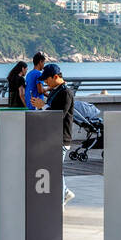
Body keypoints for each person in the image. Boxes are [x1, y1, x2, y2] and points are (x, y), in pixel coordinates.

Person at [41, 63, 76, 208]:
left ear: (56, 77)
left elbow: (58, 114)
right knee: (55, 169)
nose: (45, 82)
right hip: (53, 137)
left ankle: (61, 200)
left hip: (61, 138)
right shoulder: (56, 90)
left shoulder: (66, 92)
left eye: (47, 79)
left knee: (56, 171)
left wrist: (42, 106)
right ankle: (66, 192)